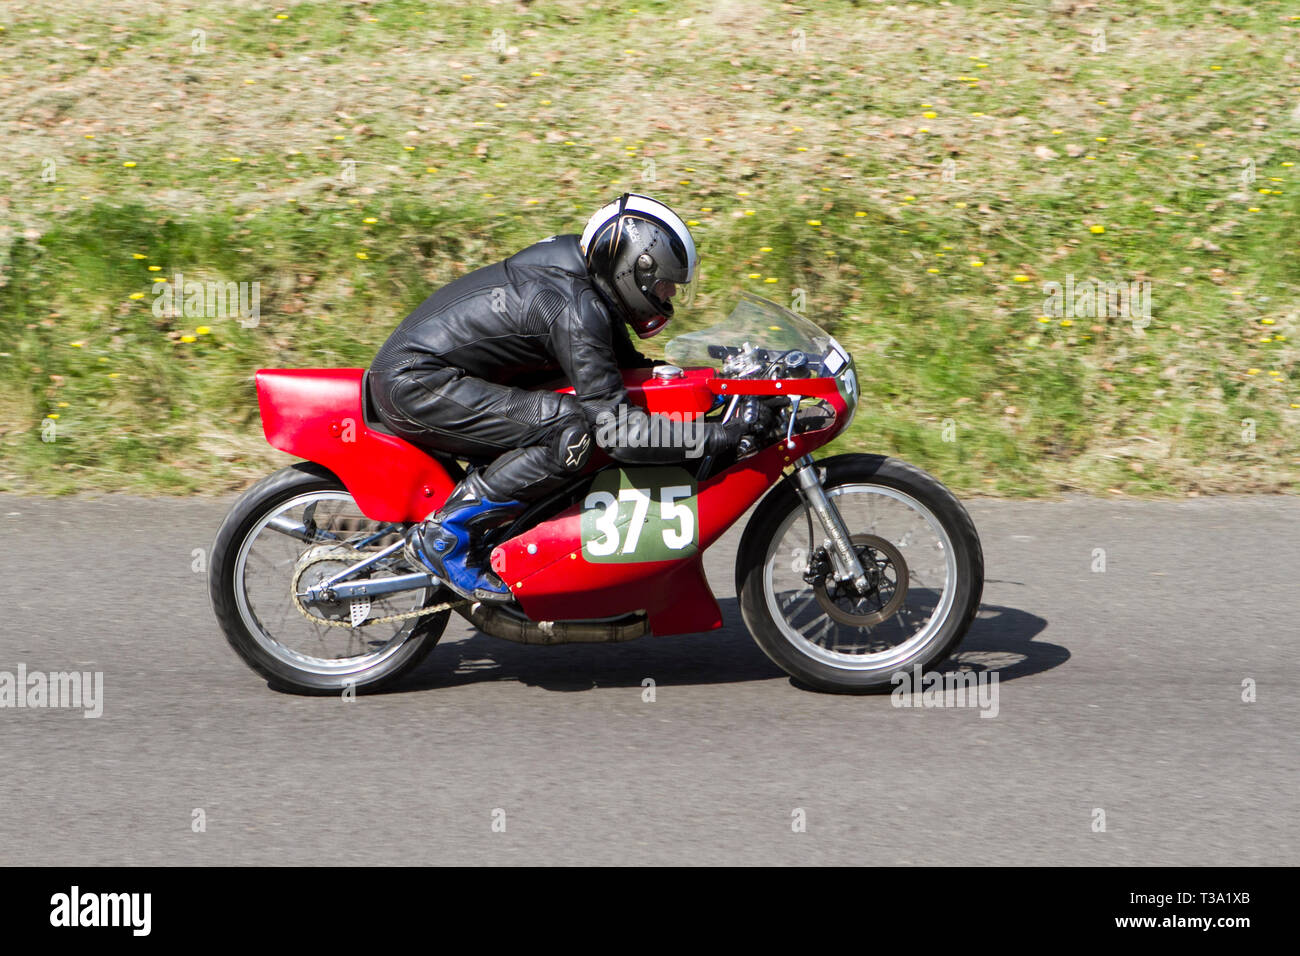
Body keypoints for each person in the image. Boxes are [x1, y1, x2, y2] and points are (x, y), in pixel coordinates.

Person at [368, 193, 757, 602]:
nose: (668, 296)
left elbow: (629, 375)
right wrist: (722, 436)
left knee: (581, 415)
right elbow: (618, 433)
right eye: (662, 283)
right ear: (631, 271)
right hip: (417, 384)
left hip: (424, 374)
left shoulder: (587, 283)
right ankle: (447, 535)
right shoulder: (577, 308)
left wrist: (718, 386)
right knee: (572, 429)